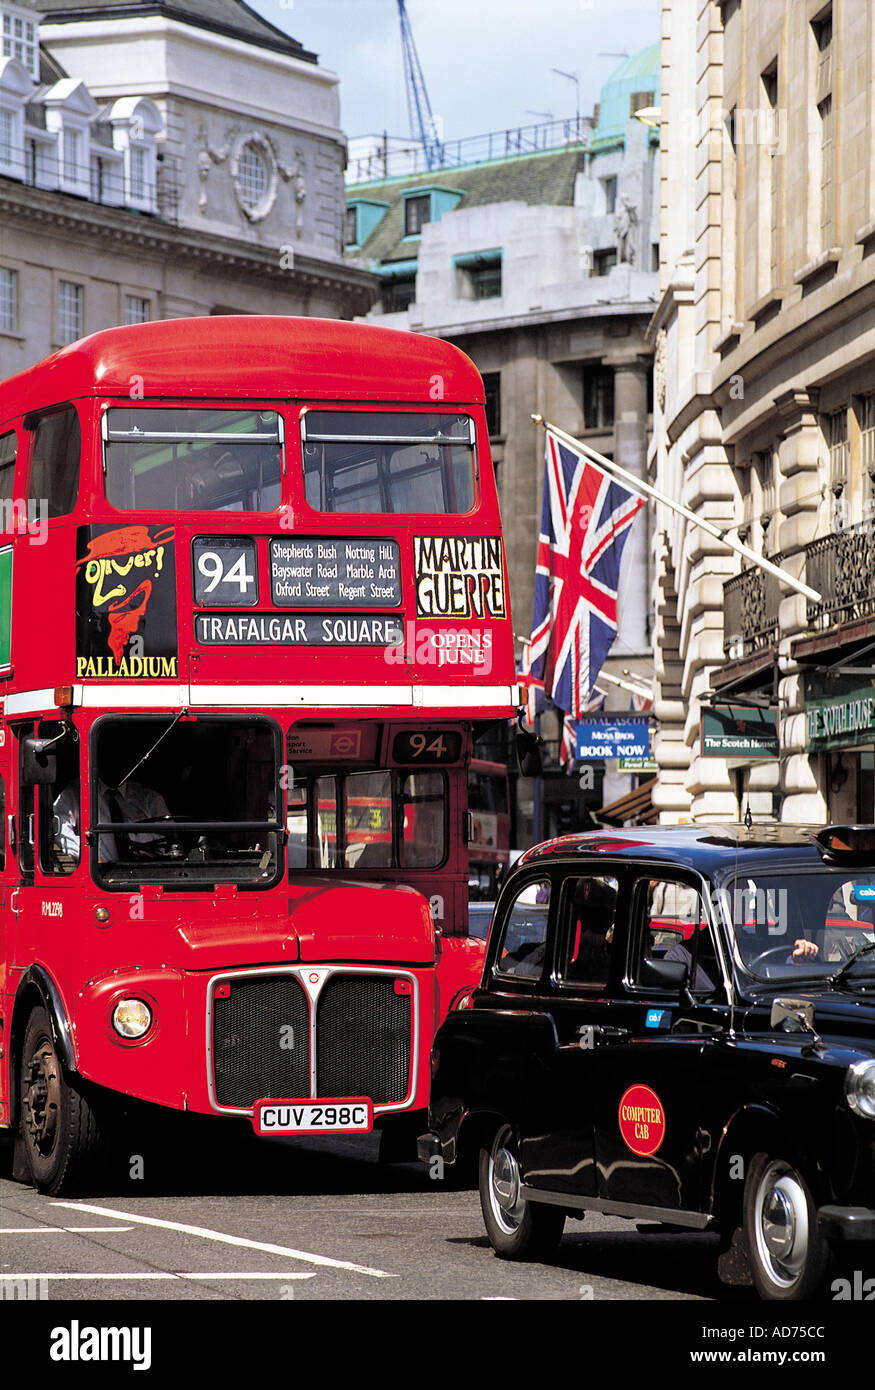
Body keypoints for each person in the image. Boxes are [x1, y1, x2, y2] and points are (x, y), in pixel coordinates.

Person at [55, 776, 170, 861]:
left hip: (148, 874)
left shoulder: (148, 797)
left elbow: (169, 838)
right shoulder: (76, 793)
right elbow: (60, 829)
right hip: (101, 878)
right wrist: (90, 858)